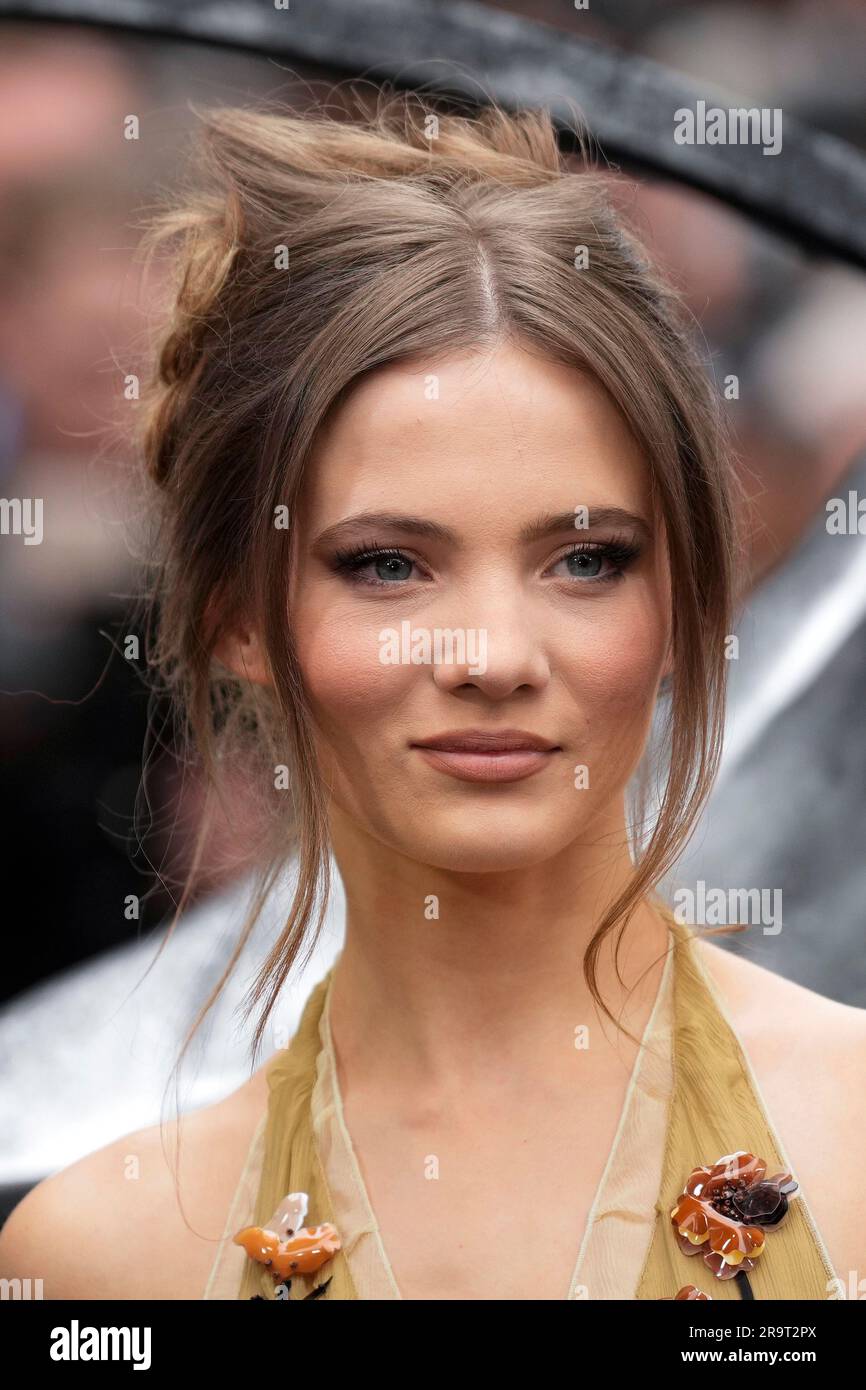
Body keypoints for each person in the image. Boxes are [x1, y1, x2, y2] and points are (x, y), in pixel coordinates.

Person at [2, 92, 864, 1301]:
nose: (492, 653)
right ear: (235, 616)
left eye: (583, 559)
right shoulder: (102, 1256)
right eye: (388, 565)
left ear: (682, 599)